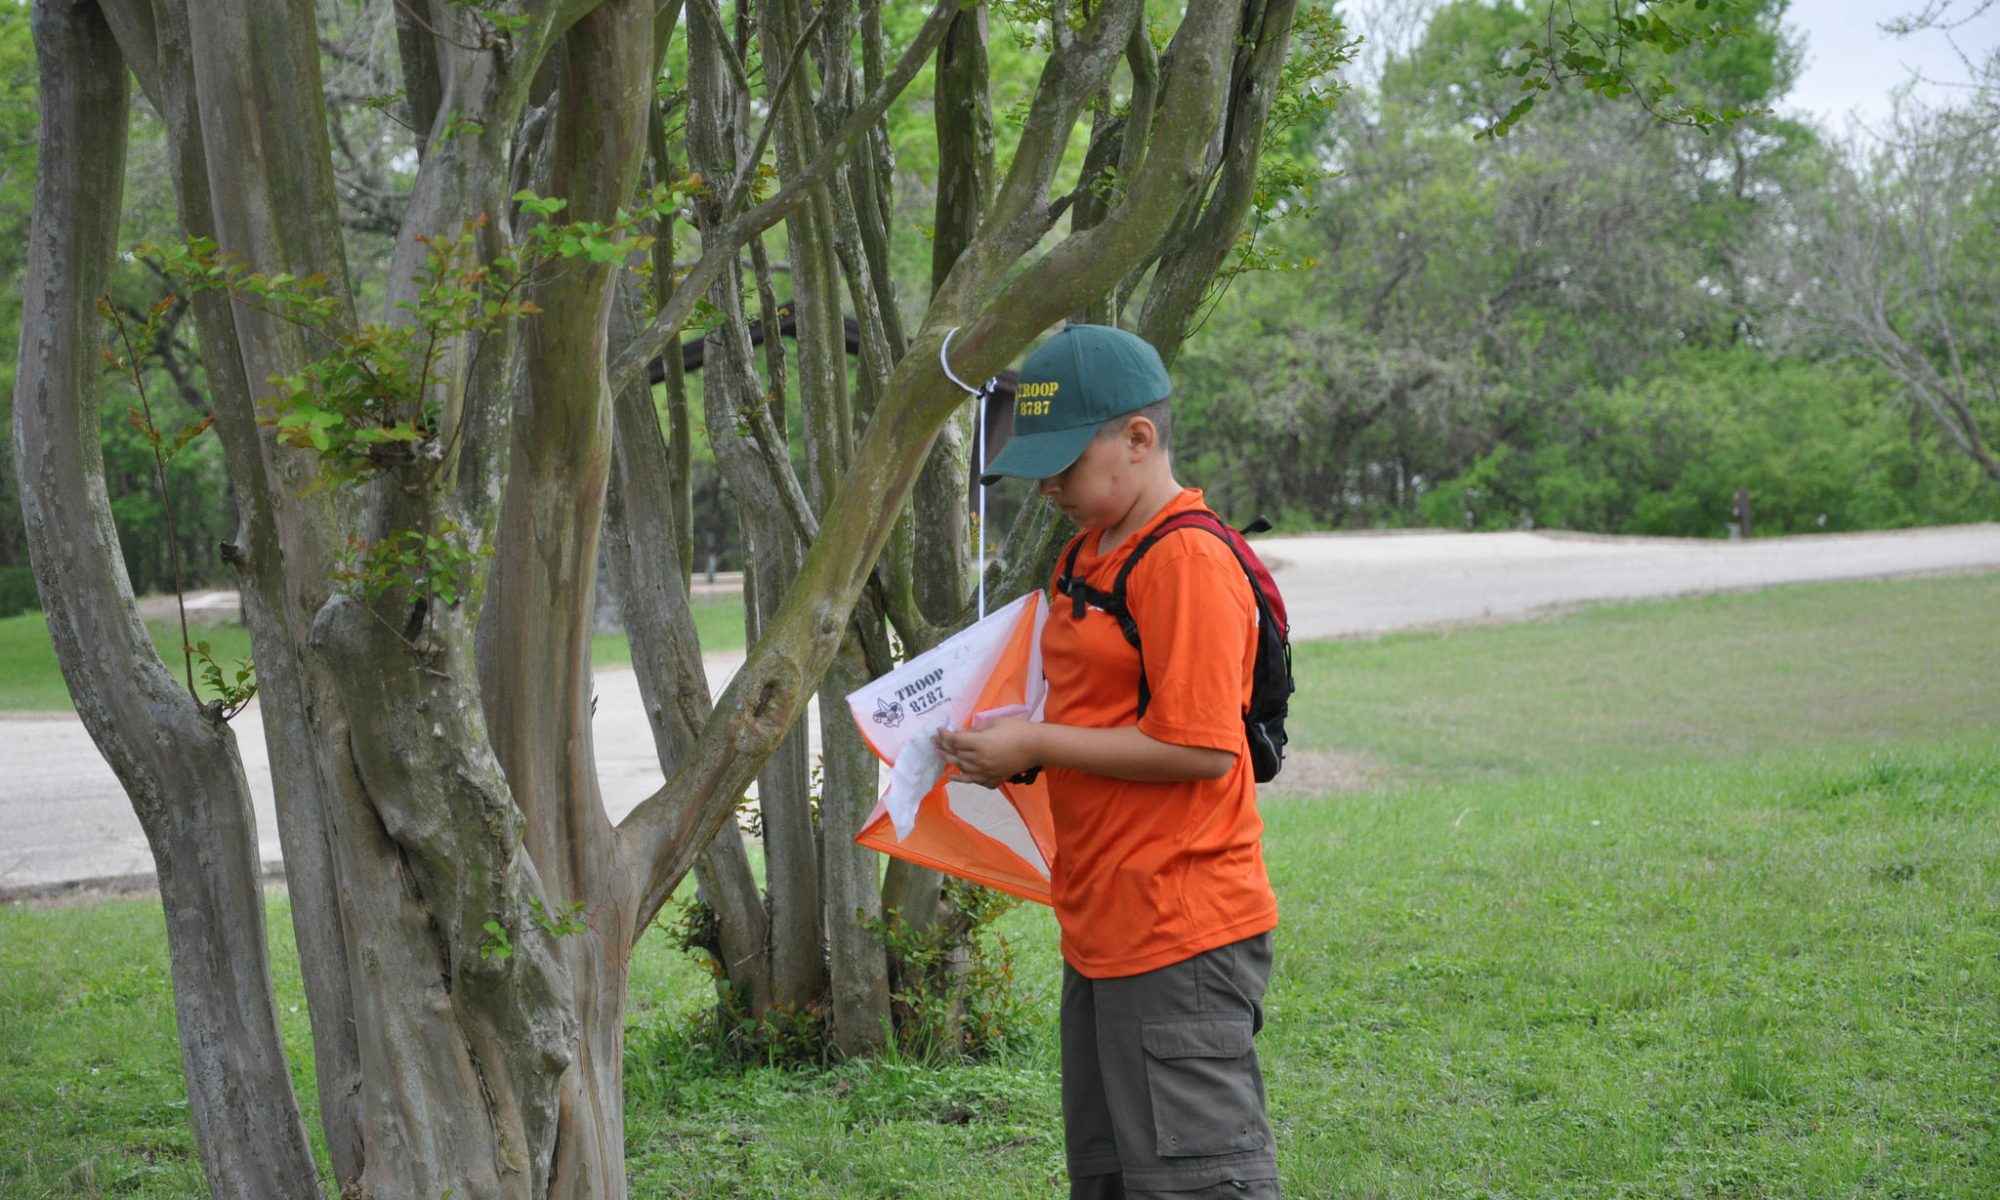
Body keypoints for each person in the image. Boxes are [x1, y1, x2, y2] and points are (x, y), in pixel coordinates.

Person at [936, 324, 1281, 1199]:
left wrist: (1037, 743)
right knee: (1117, 1176)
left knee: (1196, 1180)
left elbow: (1201, 748)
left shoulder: (1186, 560)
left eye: (1063, 462)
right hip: (1101, 922)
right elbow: (1084, 706)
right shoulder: (1086, 553)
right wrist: (1001, 743)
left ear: (1139, 438)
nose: (1047, 484)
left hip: (1178, 926)